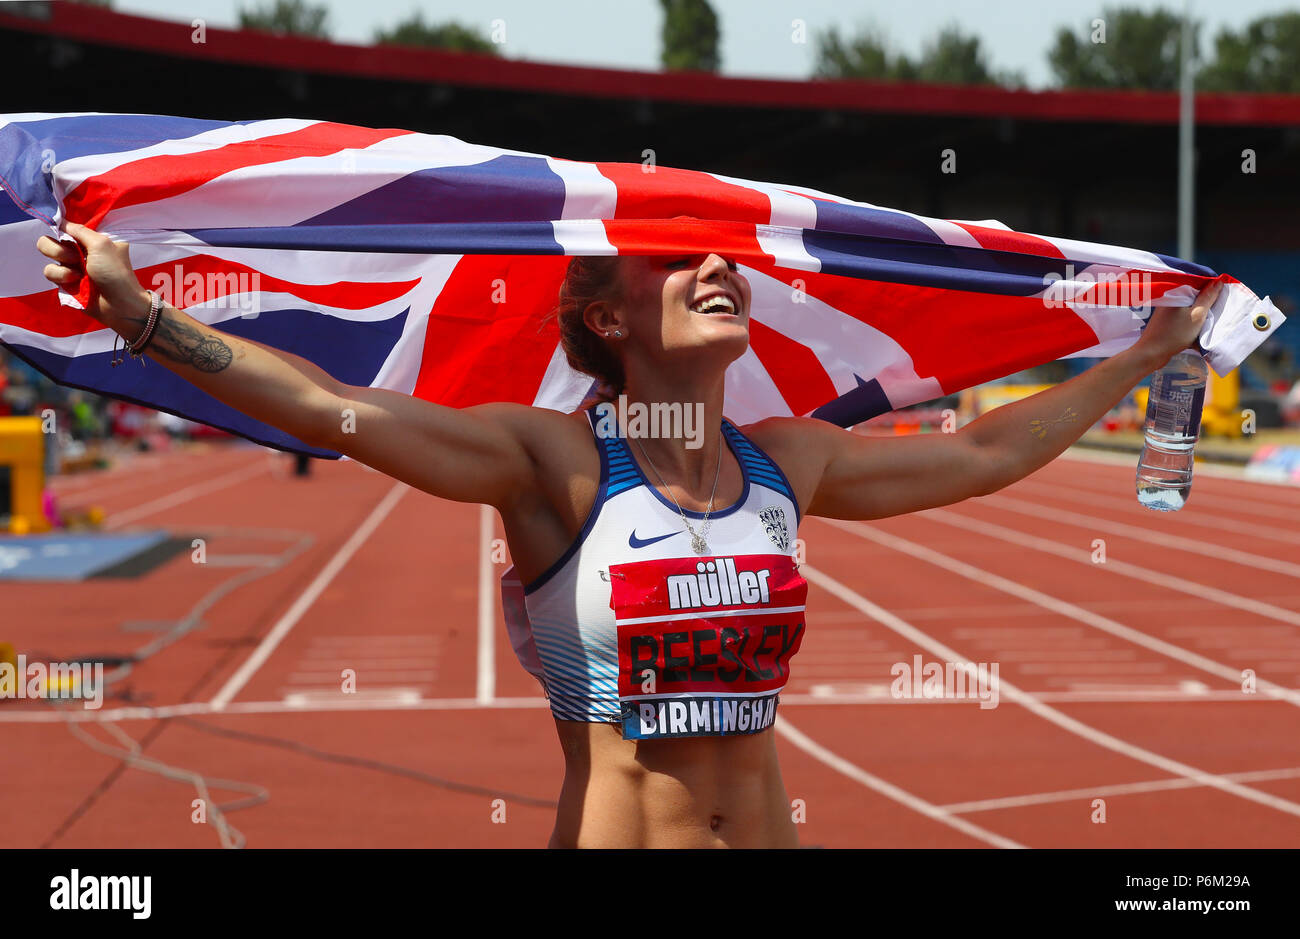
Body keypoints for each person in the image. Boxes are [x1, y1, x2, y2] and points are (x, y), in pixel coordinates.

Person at [37, 222, 1219, 848]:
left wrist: (1146, 355)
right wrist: (142, 315)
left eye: (727, 257)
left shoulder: (786, 458)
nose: (720, 267)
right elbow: (321, 408)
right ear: (606, 316)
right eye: (679, 259)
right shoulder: (551, 465)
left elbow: (980, 456)